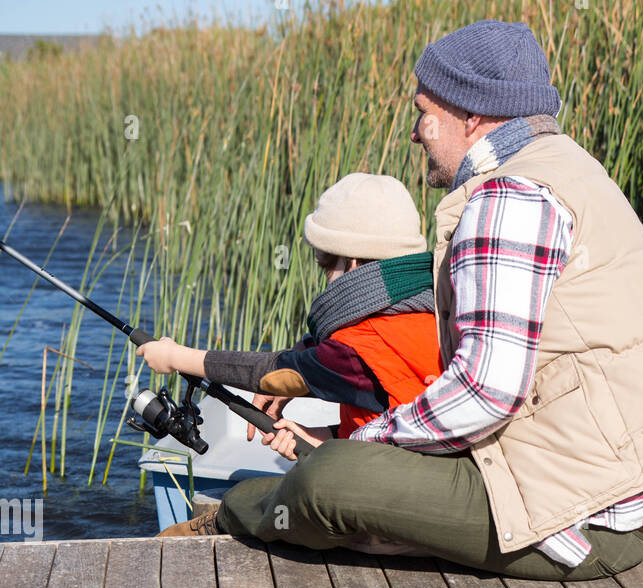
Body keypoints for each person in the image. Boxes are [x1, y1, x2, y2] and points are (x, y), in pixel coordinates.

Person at [153, 19, 643, 578]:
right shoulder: (572, 169)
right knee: (344, 461)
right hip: (618, 489)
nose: (413, 132)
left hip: (586, 519)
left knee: (330, 480)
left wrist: (363, 444)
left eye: (423, 114)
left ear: (472, 116)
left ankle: (235, 514)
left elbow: (486, 391)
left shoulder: (508, 199)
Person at [139, 174, 442, 546]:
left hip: (401, 505)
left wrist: (176, 357)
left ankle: (179, 539)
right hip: (415, 478)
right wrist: (321, 438)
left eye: (324, 265)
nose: (326, 280)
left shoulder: (362, 346)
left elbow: (274, 373)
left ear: (353, 261)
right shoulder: (431, 314)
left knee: (251, 497)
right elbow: (388, 410)